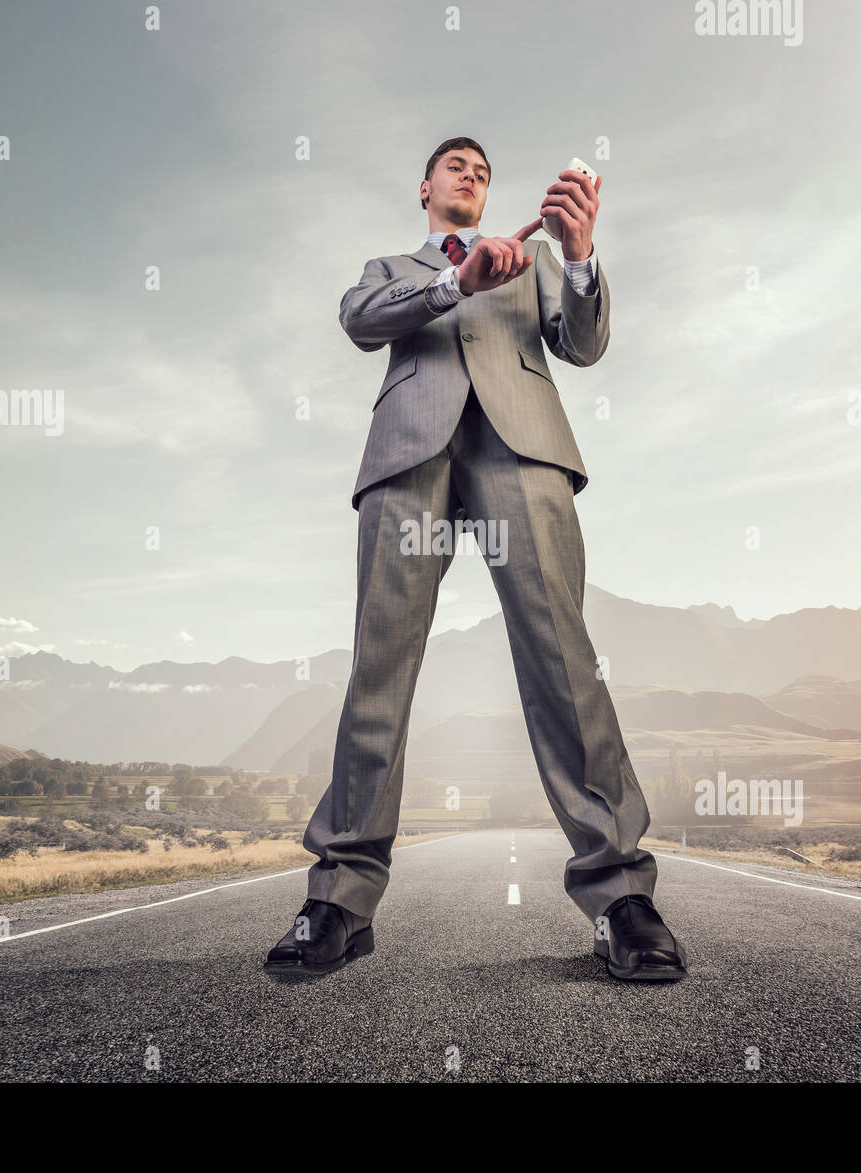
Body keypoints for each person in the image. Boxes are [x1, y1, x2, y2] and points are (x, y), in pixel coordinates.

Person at [264, 136, 687, 982]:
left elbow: (585, 343)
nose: (472, 175)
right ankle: (340, 899)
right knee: (378, 668)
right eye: (456, 165)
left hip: (521, 450)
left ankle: (620, 899)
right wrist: (457, 281)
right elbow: (359, 321)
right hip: (407, 456)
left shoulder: (530, 263)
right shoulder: (391, 266)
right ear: (425, 186)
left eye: (484, 171)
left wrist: (578, 255)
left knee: (564, 658)